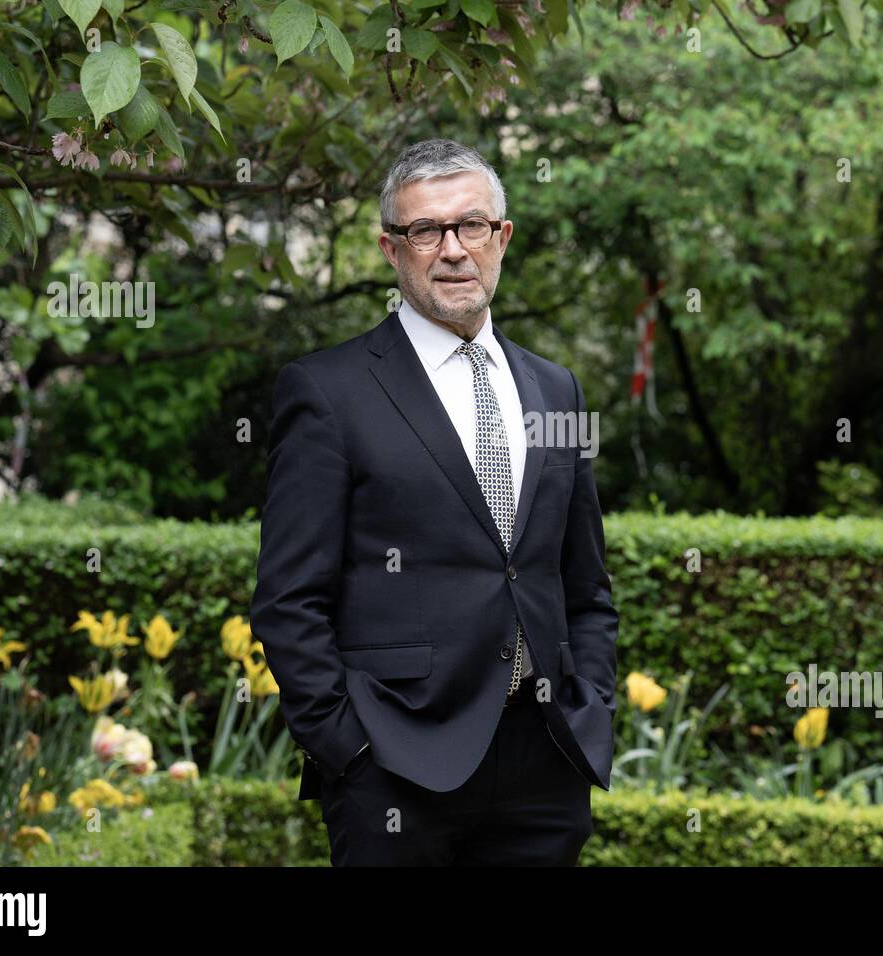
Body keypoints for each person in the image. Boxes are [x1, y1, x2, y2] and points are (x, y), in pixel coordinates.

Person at [250, 138, 619, 865]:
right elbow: (288, 600)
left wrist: (592, 702)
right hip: (394, 769)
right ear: (392, 248)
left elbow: (584, 583)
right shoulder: (328, 391)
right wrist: (347, 751)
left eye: (471, 226)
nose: (453, 250)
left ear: (501, 237)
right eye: (427, 231)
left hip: (543, 765)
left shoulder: (556, 389)